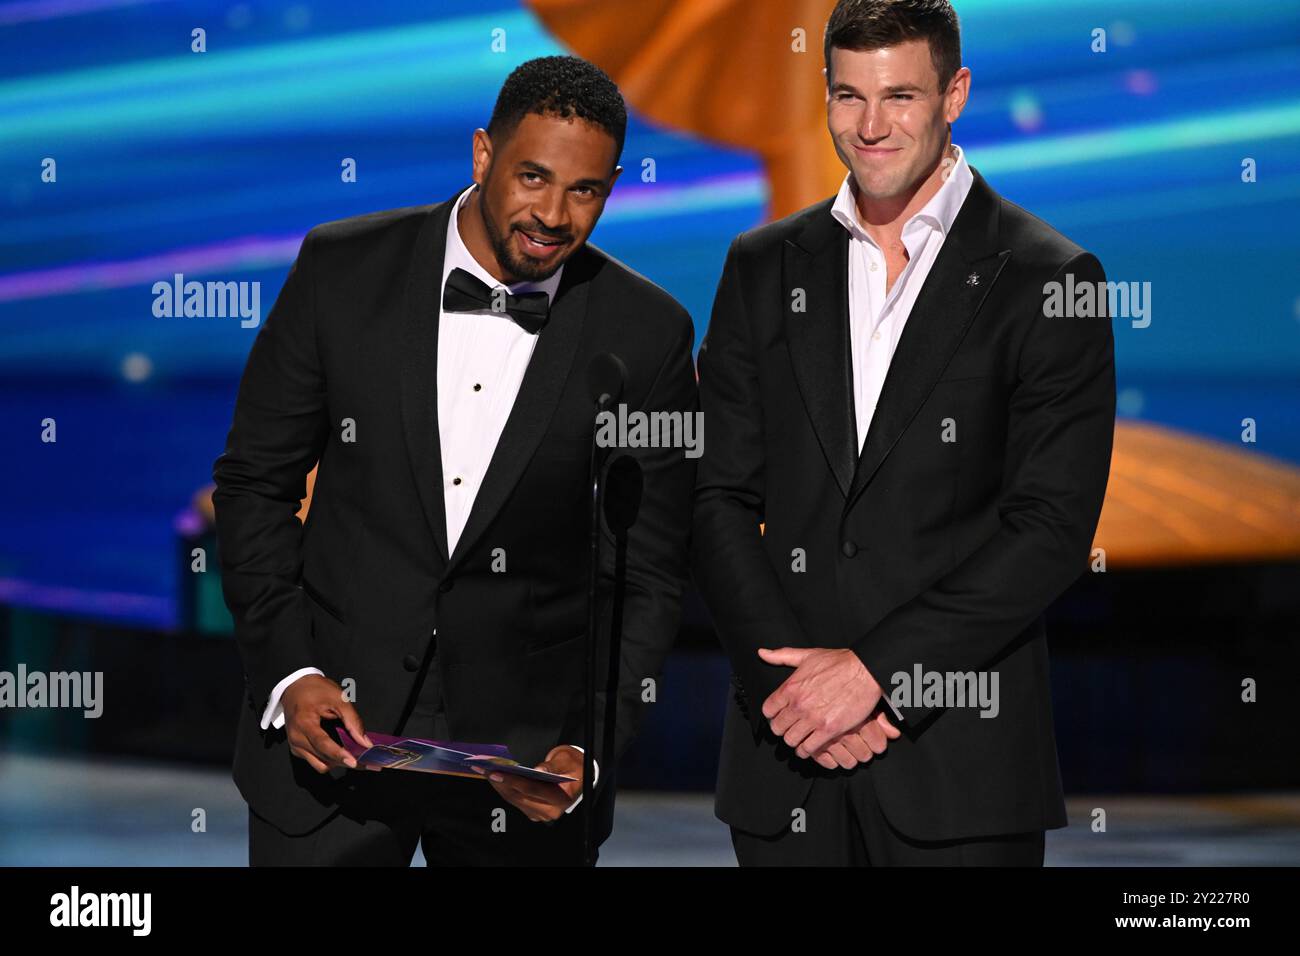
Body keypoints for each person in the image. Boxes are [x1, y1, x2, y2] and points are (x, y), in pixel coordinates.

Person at [212, 55, 697, 866]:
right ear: (483, 154)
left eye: (586, 191)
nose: (552, 214)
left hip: (524, 766)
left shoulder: (646, 334)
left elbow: (647, 576)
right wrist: (292, 675)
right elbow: (254, 486)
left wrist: (593, 745)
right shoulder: (342, 271)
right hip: (334, 740)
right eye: (532, 176)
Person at [693, 0, 1115, 865]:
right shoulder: (762, 266)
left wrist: (876, 674)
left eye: (900, 96)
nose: (871, 126)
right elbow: (716, 498)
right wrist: (794, 695)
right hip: (787, 766)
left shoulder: (1050, 277)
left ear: (954, 93)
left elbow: (1051, 529)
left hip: (959, 766)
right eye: (848, 96)